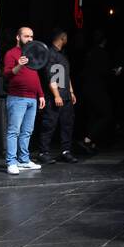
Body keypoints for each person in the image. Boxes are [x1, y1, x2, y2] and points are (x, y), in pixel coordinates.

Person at [1, 26, 45, 175]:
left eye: (31, 36)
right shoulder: (11, 54)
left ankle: (24, 160)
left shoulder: (33, 53)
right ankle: (11, 162)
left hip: (32, 98)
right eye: (26, 36)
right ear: (18, 37)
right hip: (17, 98)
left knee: (27, 131)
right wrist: (19, 64)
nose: (30, 39)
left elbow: (35, 75)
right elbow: (7, 74)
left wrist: (41, 94)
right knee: (14, 131)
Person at [34, 28, 78, 165]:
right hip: (55, 96)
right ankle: (43, 152)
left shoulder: (63, 54)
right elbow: (51, 76)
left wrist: (71, 92)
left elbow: (66, 75)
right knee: (49, 124)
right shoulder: (50, 54)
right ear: (62, 38)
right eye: (66, 38)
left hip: (66, 96)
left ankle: (65, 151)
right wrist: (56, 95)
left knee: (67, 124)